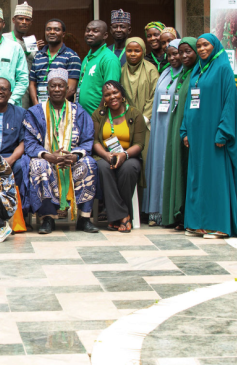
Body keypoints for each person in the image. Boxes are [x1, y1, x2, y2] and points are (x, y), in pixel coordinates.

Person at [180, 34, 237, 239]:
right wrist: (185, 130)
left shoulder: (222, 69)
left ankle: (219, 226)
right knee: (197, 179)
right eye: (199, 46)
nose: (201, 49)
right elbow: (189, 103)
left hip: (215, 134)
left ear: (215, 46)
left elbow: (229, 104)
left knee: (215, 179)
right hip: (196, 134)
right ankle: (198, 223)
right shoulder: (197, 70)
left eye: (205, 45)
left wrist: (223, 132)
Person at [22, 69, 98, 235]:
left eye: (60, 86)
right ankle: (47, 218)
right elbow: (29, 142)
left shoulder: (80, 111)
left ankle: (84, 219)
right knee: (37, 165)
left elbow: (87, 140)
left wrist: (75, 155)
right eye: (53, 86)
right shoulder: (35, 112)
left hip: (73, 158)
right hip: (47, 158)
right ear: (47, 89)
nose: (57, 89)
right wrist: (48, 156)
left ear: (67, 89)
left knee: (89, 163)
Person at [92, 81, 147, 233]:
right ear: (104, 98)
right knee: (103, 168)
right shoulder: (99, 114)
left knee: (128, 169)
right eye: (107, 95)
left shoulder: (134, 114)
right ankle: (124, 216)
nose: (112, 97)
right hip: (104, 155)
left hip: (129, 155)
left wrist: (124, 154)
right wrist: (106, 155)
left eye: (115, 93)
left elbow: (139, 144)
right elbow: (95, 140)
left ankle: (116, 216)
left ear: (122, 95)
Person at [143, 39, 182, 226]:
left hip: (175, 128)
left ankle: (172, 212)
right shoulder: (165, 73)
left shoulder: (188, 75)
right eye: (170, 54)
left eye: (177, 53)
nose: (173, 57)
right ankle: (156, 211)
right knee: (158, 165)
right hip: (160, 128)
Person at [162, 37, 197, 230]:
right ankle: (179, 214)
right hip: (178, 126)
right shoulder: (182, 74)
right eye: (180, 52)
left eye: (187, 51)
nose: (183, 56)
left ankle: (188, 216)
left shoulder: (199, 74)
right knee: (179, 169)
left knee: (188, 171)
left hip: (191, 129)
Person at [29, 19, 81, 106]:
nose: (52, 32)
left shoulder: (72, 56)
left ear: (63, 34)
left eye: (56, 29)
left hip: (61, 109)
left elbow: (71, 88)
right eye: (48, 29)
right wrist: (37, 106)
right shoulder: (38, 56)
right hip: (40, 108)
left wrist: (51, 107)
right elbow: (32, 84)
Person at [77, 20, 122, 115]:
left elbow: (111, 93)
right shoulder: (87, 57)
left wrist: (99, 115)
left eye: (95, 31)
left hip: (99, 118)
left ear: (105, 35)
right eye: (88, 30)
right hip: (85, 117)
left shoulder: (109, 59)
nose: (90, 33)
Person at [5, 2, 43, 108]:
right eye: (20, 19)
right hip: (8, 87)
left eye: (27, 20)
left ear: (31, 22)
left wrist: (38, 52)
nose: (24, 22)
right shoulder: (4, 38)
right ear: (13, 20)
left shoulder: (31, 41)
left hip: (26, 90)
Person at [120, 37, 159, 123]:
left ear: (143, 52)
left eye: (137, 51)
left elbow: (154, 94)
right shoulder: (122, 71)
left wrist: (145, 117)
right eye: (129, 51)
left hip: (148, 120)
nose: (133, 54)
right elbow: (120, 96)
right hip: (126, 119)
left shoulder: (151, 70)